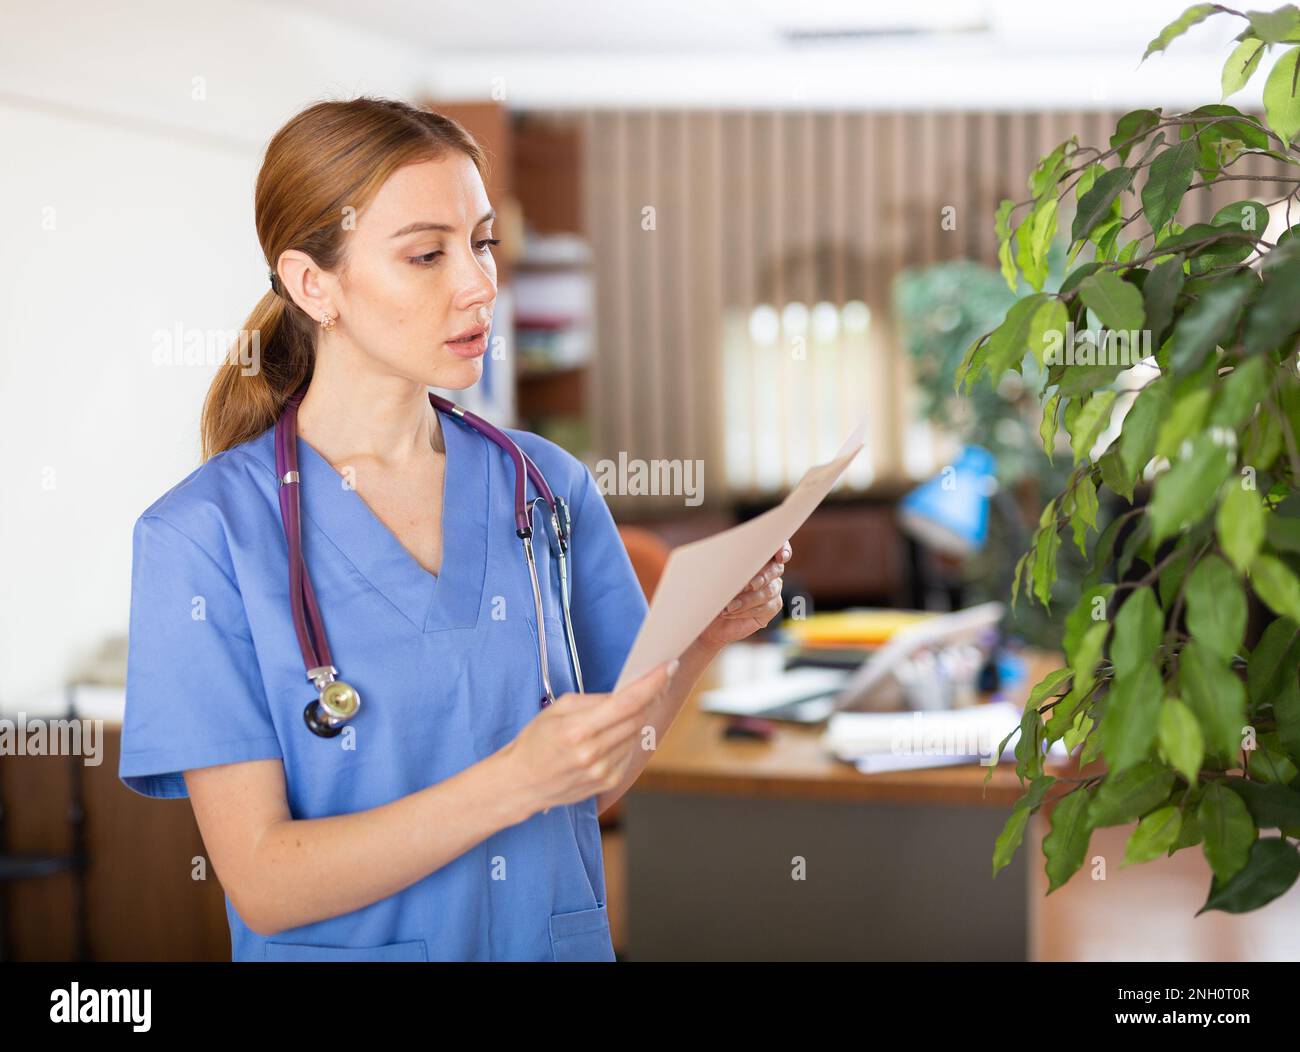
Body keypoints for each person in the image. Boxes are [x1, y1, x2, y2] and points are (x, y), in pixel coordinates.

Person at [119, 97, 791, 962]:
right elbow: (264, 881)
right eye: (426, 254)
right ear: (311, 283)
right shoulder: (201, 538)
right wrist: (510, 783)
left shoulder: (544, 485)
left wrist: (701, 641)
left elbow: (592, 780)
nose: (478, 285)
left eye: (481, 244)